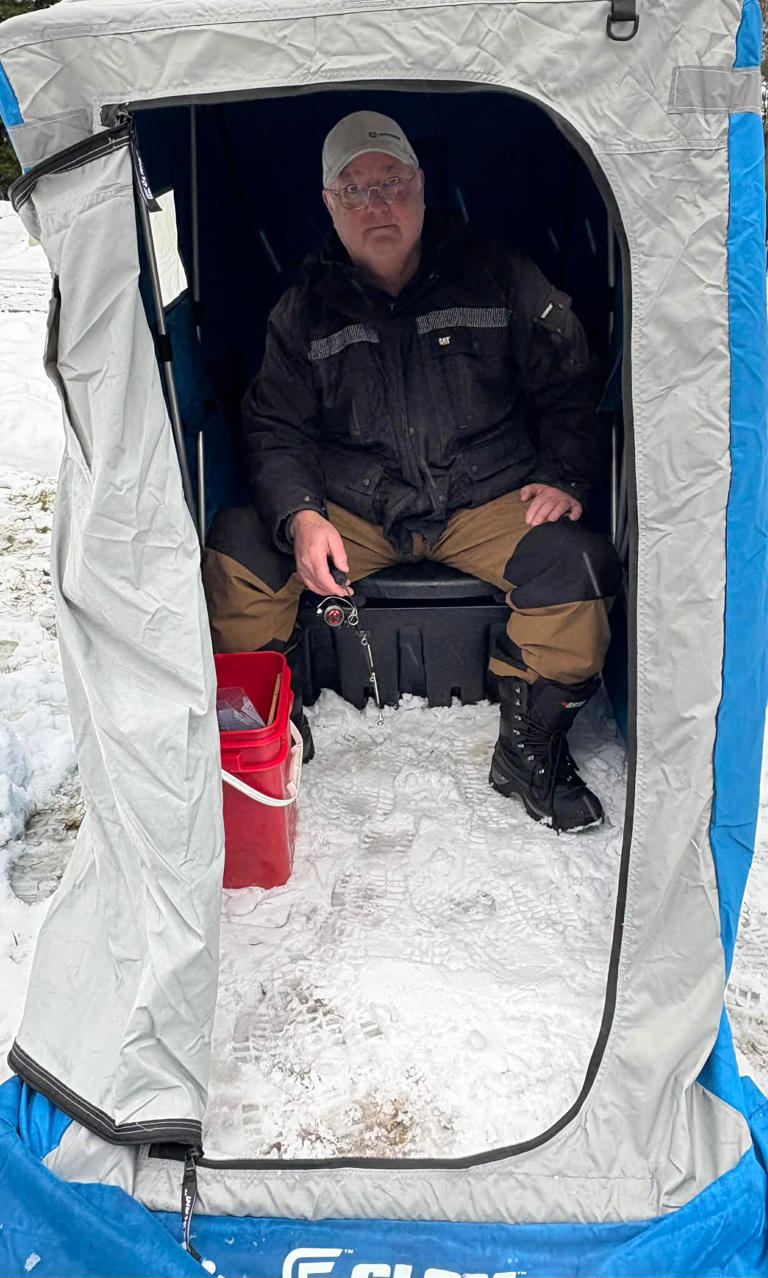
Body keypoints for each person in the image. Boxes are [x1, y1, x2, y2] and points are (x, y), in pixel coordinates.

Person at [203, 110, 622, 833]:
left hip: (486, 498)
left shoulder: (501, 276)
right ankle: (272, 727)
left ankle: (530, 746)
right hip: (353, 507)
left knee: (578, 567)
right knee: (240, 550)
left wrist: (567, 474)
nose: (377, 204)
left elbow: (570, 385)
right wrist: (302, 515)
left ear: (422, 187)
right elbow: (274, 429)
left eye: (391, 183)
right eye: (354, 190)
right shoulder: (301, 311)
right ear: (329, 205)